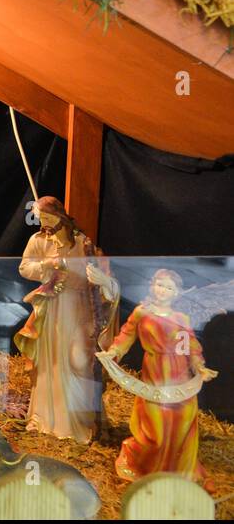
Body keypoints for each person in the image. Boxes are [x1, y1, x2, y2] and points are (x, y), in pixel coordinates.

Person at [15, 196, 120, 443]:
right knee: (50, 362)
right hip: (51, 309)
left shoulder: (83, 244)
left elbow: (103, 279)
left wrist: (98, 279)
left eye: (48, 217)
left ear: (60, 215)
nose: (45, 222)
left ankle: (78, 421)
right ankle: (45, 418)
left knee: (79, 361)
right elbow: (24, 268)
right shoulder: (39, 241)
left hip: (79, 310)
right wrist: (47, 265)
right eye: (41, 218)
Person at [101, 269, 218, 485]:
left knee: (182, 419)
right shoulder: (142, 312)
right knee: (155, 427)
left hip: (180, 375)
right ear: (152, 286)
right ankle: (147, 466)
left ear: (176, 293)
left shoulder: (181, 318)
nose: (163, 290)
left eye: (169, 288)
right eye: (160, 285)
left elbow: (190, 346)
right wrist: (113, 352)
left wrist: (200, 367)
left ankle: (175, 469)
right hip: (154, 372)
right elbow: (126, 335)